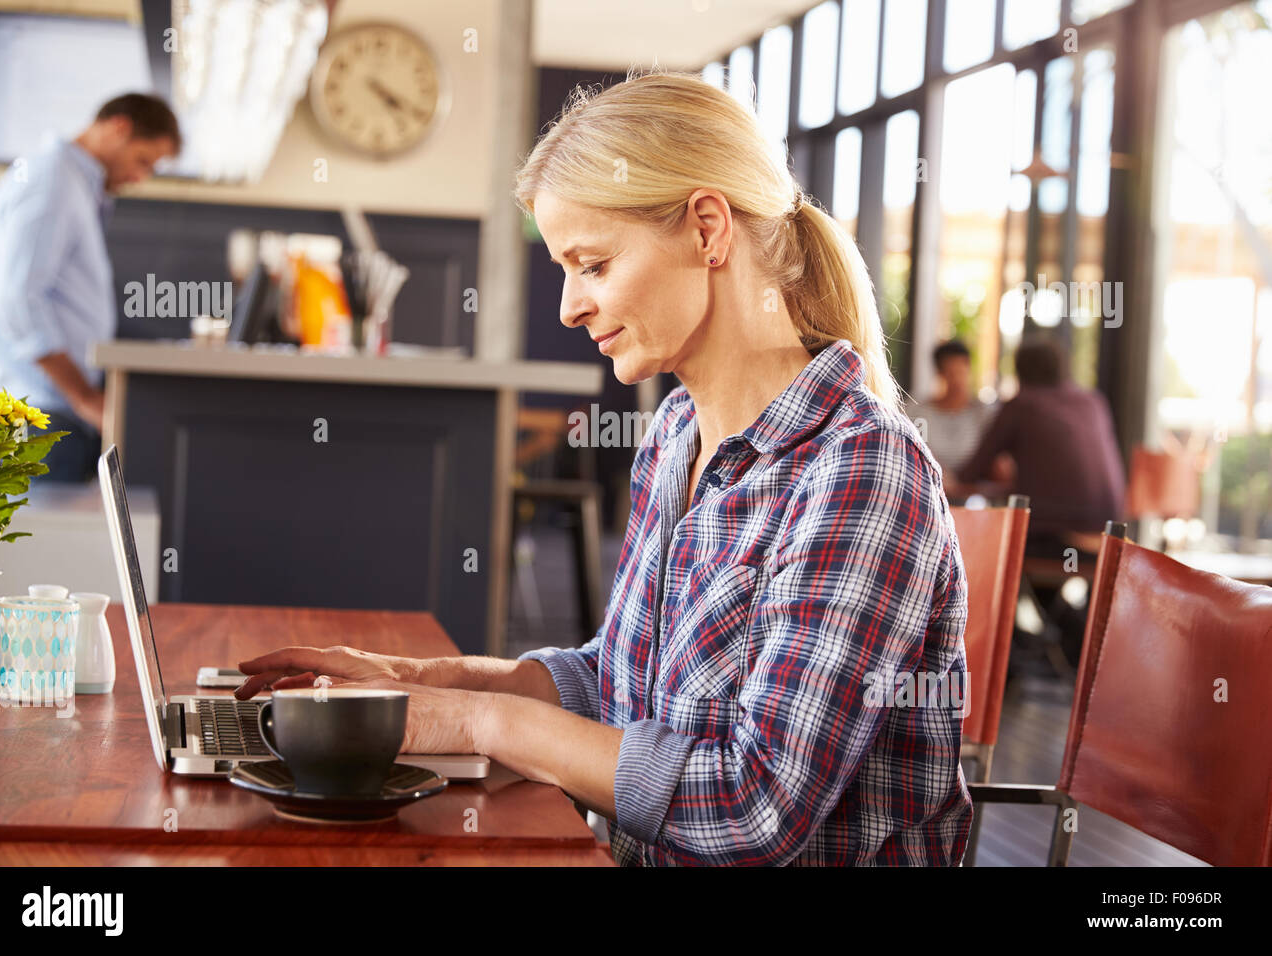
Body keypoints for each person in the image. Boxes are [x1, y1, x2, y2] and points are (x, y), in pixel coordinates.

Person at [234, 71, 973, 866]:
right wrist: (423, 680)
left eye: (592, 264)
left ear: (707, 231)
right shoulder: (676, 434)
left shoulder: (861, 468)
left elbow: (754, 808)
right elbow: (622, 683)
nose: (569, 306)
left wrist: (475, 723)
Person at [0, 93, 180, 481]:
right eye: (143, 161)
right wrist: (85, 397)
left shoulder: (74, 185)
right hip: (36, 417)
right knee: (42, 541)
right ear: (119, 127)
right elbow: (16, 301)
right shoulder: (52, 180)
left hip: (48, 412)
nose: (141, 178)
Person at [955, 335, 1125, 558]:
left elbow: (971, 472)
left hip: (1056, 538)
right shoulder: (1094, 402)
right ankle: (1054, 594)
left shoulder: (1021, 405)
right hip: (1110, 538)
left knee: (984, 549)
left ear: (1020, 369)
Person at [912, 339, 999, 482]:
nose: (958, 380)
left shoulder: (984, 413)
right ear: (940, 373)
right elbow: (917, 453)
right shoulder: (918, 412)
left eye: (961, 372)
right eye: (951, 373)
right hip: (931, 484)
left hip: (974, 488)